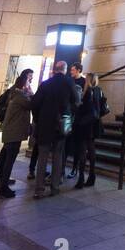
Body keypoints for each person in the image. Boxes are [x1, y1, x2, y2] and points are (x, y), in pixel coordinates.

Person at [29, 61, 80, 198]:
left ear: (54, 69)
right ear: (65, 69)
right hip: (60, 126)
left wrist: (39, 118)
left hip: (45, 125)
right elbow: (77, 100)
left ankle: (39, 190)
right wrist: (68, 114)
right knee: (58, 157)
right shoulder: (69, 82)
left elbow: (34, 103)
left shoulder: (46, 83)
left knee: (43, 157)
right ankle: (54, 187)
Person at [0, 69, 34, 197]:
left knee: (6, 155)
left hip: (10, 130)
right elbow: (32, 103)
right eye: (29, 79)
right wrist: (31, 93)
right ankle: (3, 187)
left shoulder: (14, 93)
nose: (31, 81)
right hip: (13, 131)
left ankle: (0, 180)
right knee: (9, 159)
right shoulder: (20, 95)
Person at [73, 73, 108, 189]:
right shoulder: (99, 90)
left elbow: (82, 109)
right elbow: (103, 107)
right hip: (95, 124)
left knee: (82, 151)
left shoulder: (87, 92)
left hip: (85, 124)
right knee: (92, 149)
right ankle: (92, 176)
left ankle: (81, 178)